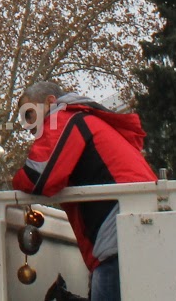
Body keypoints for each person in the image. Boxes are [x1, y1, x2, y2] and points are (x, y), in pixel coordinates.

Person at [11, 81, 156, 301]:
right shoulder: (87, 120)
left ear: (50, 102)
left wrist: (14, 181)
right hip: (136, 228)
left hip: (118, 237)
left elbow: (38, 178)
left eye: (29, 114)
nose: (27, 126)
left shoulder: (64, 118)